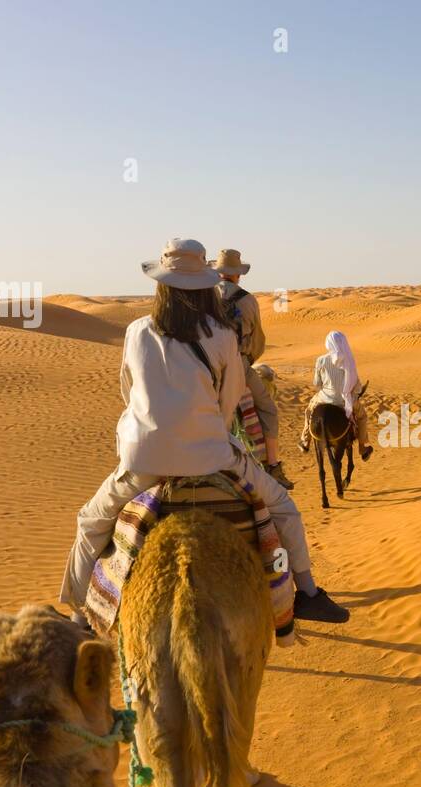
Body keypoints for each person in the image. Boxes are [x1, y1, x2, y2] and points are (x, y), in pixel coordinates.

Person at [60, 238, 348, 626]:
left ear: (160, 286)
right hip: (212, 456)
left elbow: (128, 393)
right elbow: (229, 402)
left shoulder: (137, 332)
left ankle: (79, 615)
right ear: (203, 286)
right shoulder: (223, 335)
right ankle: (308, 592)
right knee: (283, 507)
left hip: (144, 460)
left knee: (91, 522)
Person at [209, 248, 293, 490]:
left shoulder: (206, 298)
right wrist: (246, 361)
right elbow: (257, 341)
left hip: (207, 365)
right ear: (238, 275)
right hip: (239, 365)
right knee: (268, 409)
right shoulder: (247, 300)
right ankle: (273, 466)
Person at [298, 330, 373, 460]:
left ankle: (305, 441)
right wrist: (352, 391)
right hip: (346, 400)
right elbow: (357, 385)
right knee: (361, 416)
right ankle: (362, 447)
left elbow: (317, 383)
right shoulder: (349, 360)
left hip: (325, 397)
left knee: (309, 410)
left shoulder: (321, 360)